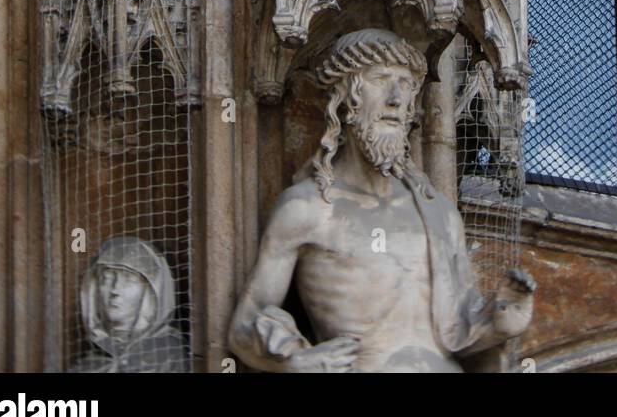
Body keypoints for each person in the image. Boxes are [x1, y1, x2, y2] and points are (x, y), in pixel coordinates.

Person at [229, 29, 536, 373]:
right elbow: (245, 324)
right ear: (345, 97)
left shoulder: (438, 212)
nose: (395, 98)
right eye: (380, 79)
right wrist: (295, 363)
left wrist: (500, 322)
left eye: (405, 84)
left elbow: (458, 335)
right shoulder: (308, 209)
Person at [71, 237, 189, 374]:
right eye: (108, 278)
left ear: (150, 292)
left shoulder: (169, 354)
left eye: (129, 280)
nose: (114, 290)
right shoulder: (94, 357)